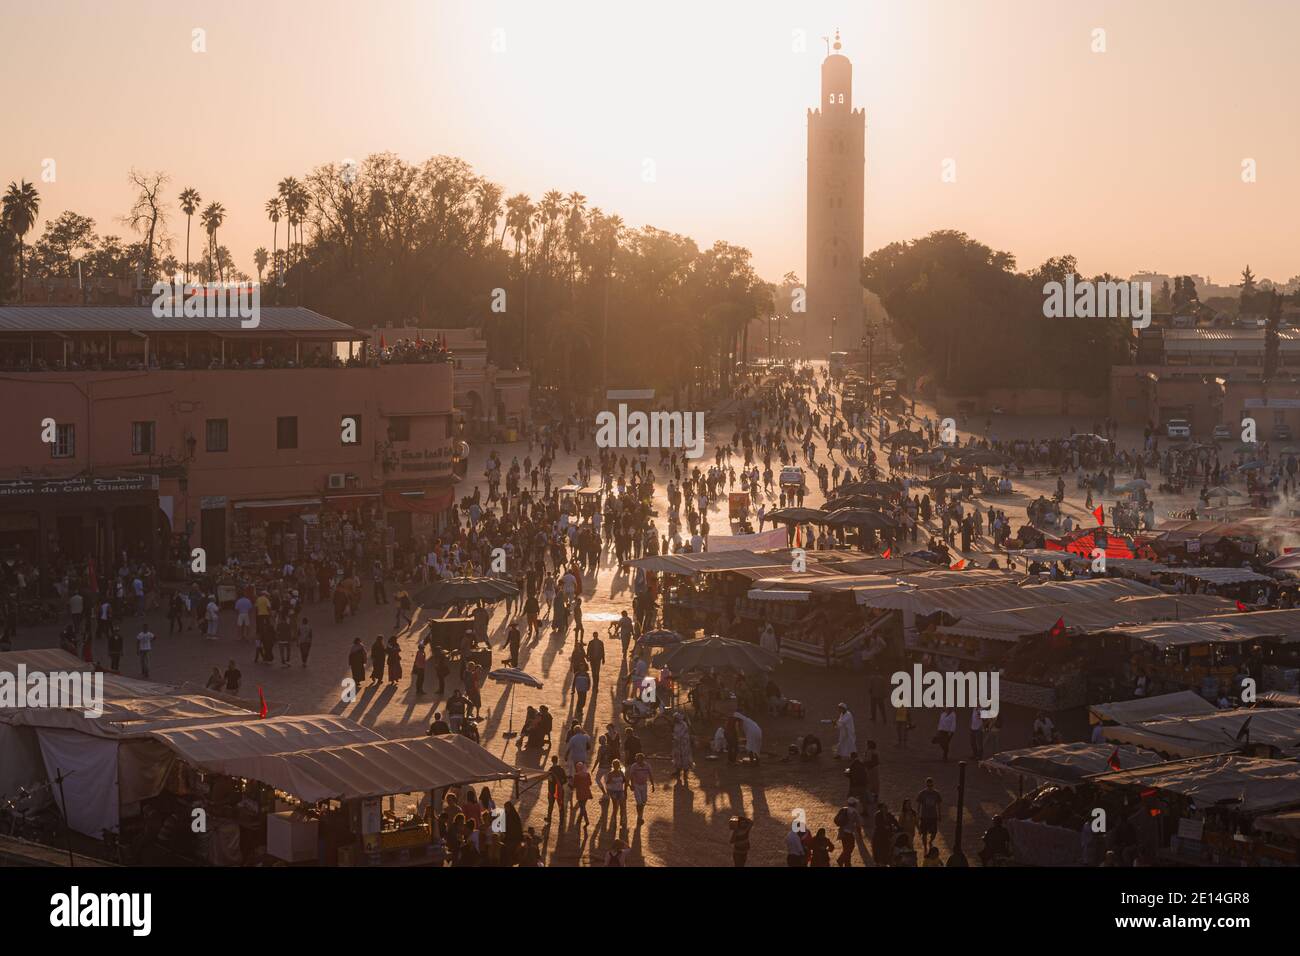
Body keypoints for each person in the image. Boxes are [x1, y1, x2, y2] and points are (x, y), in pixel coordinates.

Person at [916, 778, 943, 853]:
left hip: (933, 816)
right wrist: (918, 815)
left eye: (931, 785)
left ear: (932, 785)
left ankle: (930, 841)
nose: (929, 787)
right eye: (928, 785)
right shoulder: (922, 793)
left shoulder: (936, 793)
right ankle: (925, 847)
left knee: (934, 832)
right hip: (924, 816)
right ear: (926, 785)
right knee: (924, 833)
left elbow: (939, 805)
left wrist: (939, 815)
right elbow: (918, 805)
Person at [834, 798, 863, 867]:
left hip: (842, 832)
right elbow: (858, 824)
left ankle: (847, 863)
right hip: (849, 833)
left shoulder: (843, 809)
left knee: (846, 848)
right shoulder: (854, 811)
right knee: (850, 847)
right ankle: (841, 860)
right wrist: (859, 834)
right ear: (854, 804)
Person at [629, 752, 654, 827]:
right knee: (639, 802)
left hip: (644, 785)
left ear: (643, 759)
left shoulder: (647, 766)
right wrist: (632, 784)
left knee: (643, 801)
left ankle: (640, 816)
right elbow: (631, 776)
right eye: (637, 759)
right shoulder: (634, 766)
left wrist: (653, 785)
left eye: (640, 759)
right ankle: (639, 817)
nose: (638, 761)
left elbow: (650, 775)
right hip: (636, 785)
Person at [606, 758, 628, 829]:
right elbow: (607, 783)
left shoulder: (621, 772)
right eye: (615, 765)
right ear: (613, 765)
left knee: (622, 806)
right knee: (615, 807)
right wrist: (608, 792)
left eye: (617, 765)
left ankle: (621, 820)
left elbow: (625, 781)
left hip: (620, 791)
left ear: (619, 765)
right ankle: (614, 820)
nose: (616, 766)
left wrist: (626, 789)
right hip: (613, 792)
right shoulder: (610, 774)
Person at [671, 712, 692, 784]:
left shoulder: (684, 725)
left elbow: (681, 734)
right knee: (677, 757)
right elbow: (674, 733)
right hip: (677, 744)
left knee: (684, 757)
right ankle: (678, 771)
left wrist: (675, 737)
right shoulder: (676, 725)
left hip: (683, 744)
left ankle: (685, 773)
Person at [545, 755, 567, 823]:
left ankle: (549, 819)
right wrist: (560, 784)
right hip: (560, 791)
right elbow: (565, 780)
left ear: (552, 761)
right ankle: (561, 821)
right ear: (557, 761)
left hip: (552, 791)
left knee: (550, 806)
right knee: (561, 805)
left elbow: (550, 780)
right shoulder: (561, 769)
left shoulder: (550, 770)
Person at [572, 761, 593, 829]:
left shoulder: (576, 776)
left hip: (580, 793)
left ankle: (586, 820)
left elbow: (574, 785)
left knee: (582, 807)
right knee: (582, 806)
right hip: (586, 792)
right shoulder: (587, 774)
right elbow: (590, 783)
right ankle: (579, 820)